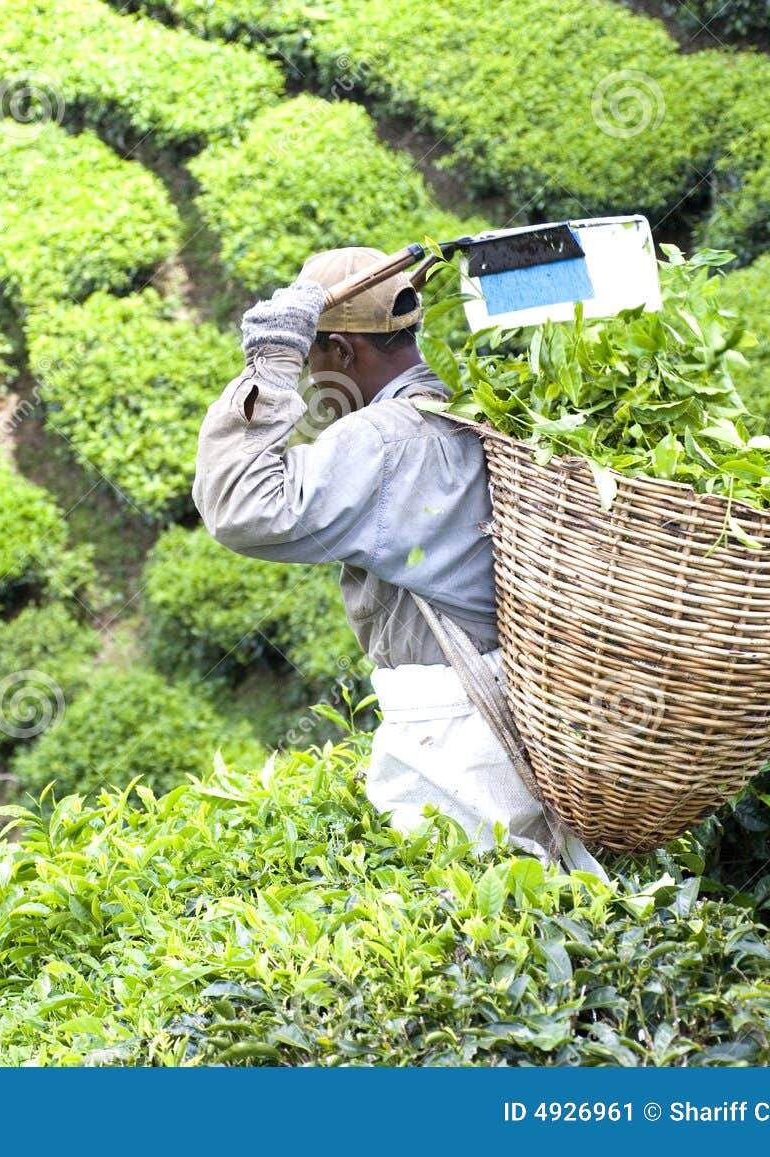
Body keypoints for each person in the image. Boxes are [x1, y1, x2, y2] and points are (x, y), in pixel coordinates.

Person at [192, 246, 603, 874]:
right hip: (521, 711)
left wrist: (268, 369)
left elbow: (240, 507)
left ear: (342, 352)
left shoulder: (385, 438)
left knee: (471, 924)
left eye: (312, 358)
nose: (311, 380)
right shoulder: (471, 412)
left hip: (458, 734)